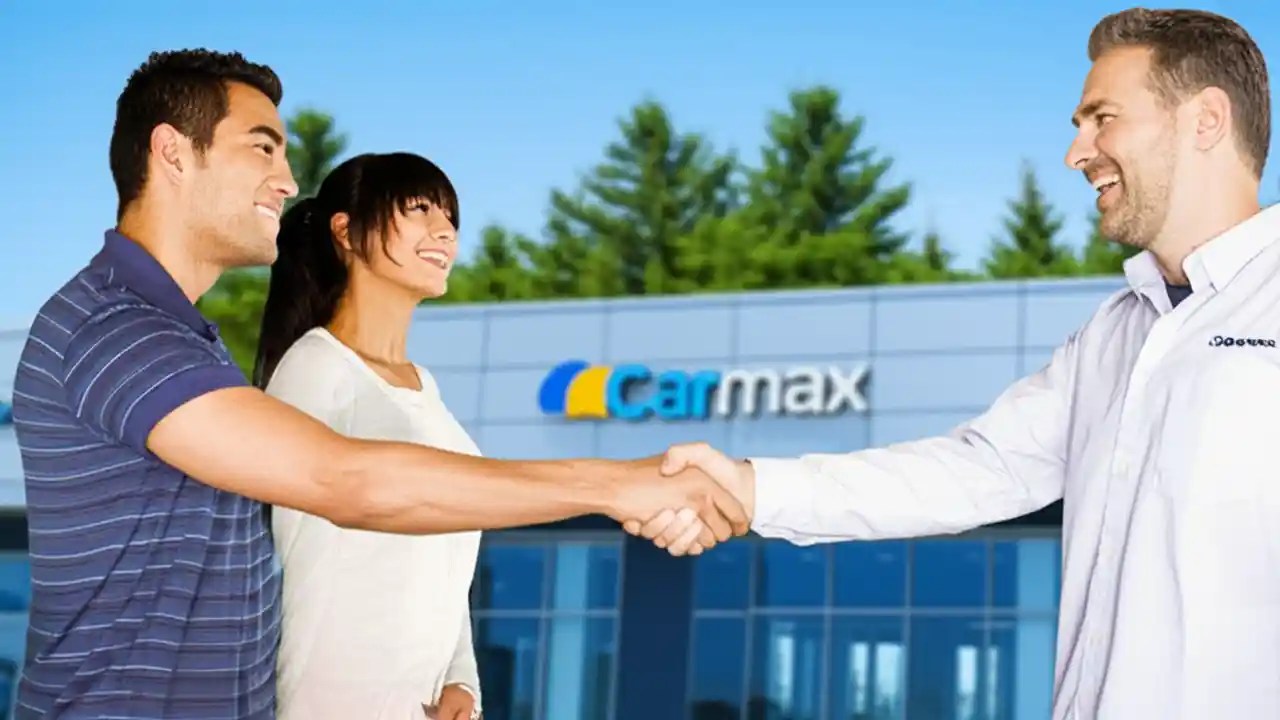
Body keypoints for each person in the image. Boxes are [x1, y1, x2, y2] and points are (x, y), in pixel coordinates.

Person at [9, 49, 747, 718]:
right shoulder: (117, 331)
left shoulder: (184, 341)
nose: (287, 180)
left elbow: (414, 531)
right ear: (172, 151)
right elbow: (349, 485)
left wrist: (457, 672)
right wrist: (617, 486)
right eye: (261, 148)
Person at [635, 8, 1278, 720]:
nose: (1077, 152)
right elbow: (974, 470)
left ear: (1206, 120)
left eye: (1102, 118)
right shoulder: (1114, 334)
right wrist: (751, 489)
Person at [255, 152, 485, 719]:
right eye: (419, 208)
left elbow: (442, 555)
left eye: (450, 217)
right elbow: (286, 567)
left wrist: (462, 680)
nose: (445, 232)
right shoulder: (314, 369)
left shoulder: (425, 391)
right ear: (346, 232)